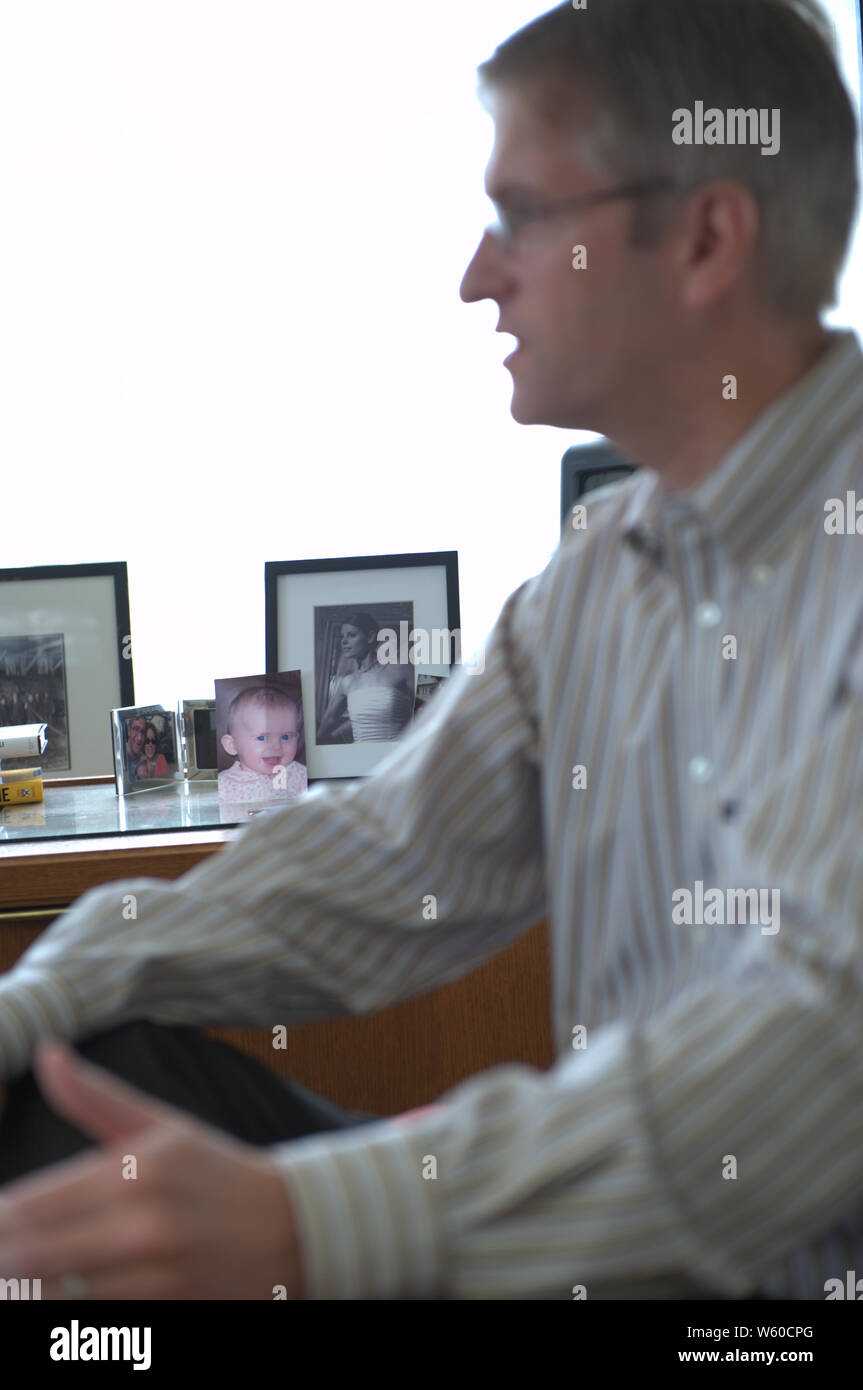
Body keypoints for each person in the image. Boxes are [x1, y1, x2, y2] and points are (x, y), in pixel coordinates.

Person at [0, 0, 862, 1301]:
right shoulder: (588, 587)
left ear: (700, 237)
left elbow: (811, 1059)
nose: (474, 272)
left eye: (518, 214)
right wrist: (36, 997)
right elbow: (372, 868)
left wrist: (318, 1221)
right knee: (69, 1078)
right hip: (588, 1259)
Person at [317, 612, 415, 743]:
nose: (344, 641)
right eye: (342, 636)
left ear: (370, 637)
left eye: (352, 635)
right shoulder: (347, 682)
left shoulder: (400, 668)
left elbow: (432, 701)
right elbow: (329, 720)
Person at [218, 685, 308, 801]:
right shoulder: (223, 785)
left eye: (286, 737)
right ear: (232, 745)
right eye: (262, 738)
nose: (276, 747)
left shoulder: (300, 774)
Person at [123, 714, 147, 781]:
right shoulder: (120, 758)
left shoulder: (146, 761)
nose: (139, 738)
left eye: (142, 732)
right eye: (136, 729)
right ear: (128, 731)